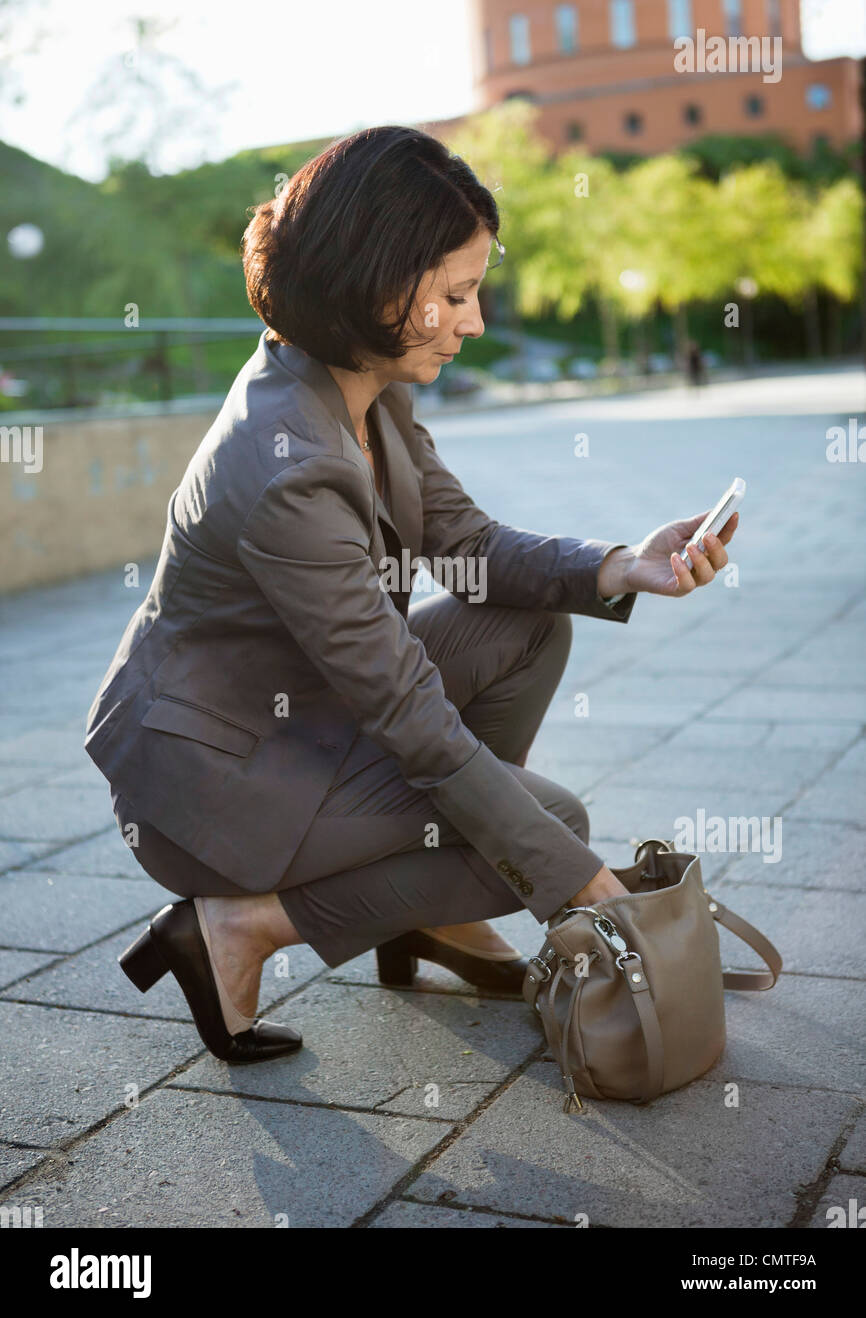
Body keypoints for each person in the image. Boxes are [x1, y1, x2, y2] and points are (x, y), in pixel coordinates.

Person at [84, 126, 737, 1063]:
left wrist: (622, 564)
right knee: (549, 826)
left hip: (302, 721)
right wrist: (587, 890)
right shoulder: (288, 467)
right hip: (216, 781)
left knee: (525, 628)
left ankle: (430, 909)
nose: (473, 321)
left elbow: (466, 545)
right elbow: (409, 717)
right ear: (379, 283)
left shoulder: (363, 383)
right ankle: (238, 926)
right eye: (457, 295)